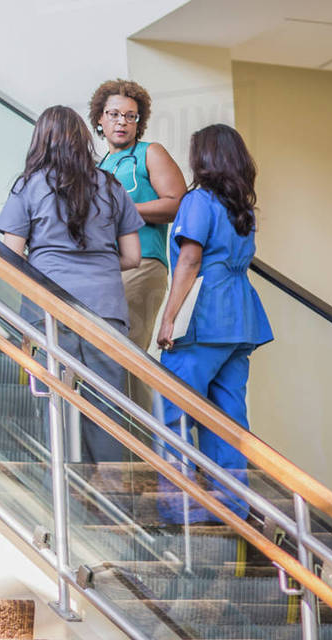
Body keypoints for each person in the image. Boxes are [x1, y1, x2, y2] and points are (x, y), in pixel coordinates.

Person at [0, 105, 143, 463]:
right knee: (107, 408)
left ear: (41, 141)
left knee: (55, 402)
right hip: (105, 310)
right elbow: (133, 257)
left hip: (49, 309)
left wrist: (48, 265)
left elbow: (9, 255)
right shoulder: (110, 186)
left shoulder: (28, 185)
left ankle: (62, 493)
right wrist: (99, 264)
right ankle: (112, 495)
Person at [155, 124, 273, 522]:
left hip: (205, 316)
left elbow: (189, 261)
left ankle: (176, 508)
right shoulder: (242, 208)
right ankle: (232, 506)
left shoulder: (199, 201)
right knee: (229, 417)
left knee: (172, 409)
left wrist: (168, 318)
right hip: (241, 318)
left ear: (202, 158)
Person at [89, 80, 187, 415]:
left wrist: (123, 210)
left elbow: (176, 204)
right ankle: (119, 438)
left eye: (130, 116)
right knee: (107, 354)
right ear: (99, 119)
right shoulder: (97, 168)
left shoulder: (150, 153)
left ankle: (143, 445)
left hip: (144, 263)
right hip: (108, 269)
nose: (122, 122)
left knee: (126, 353)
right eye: (114, 114)